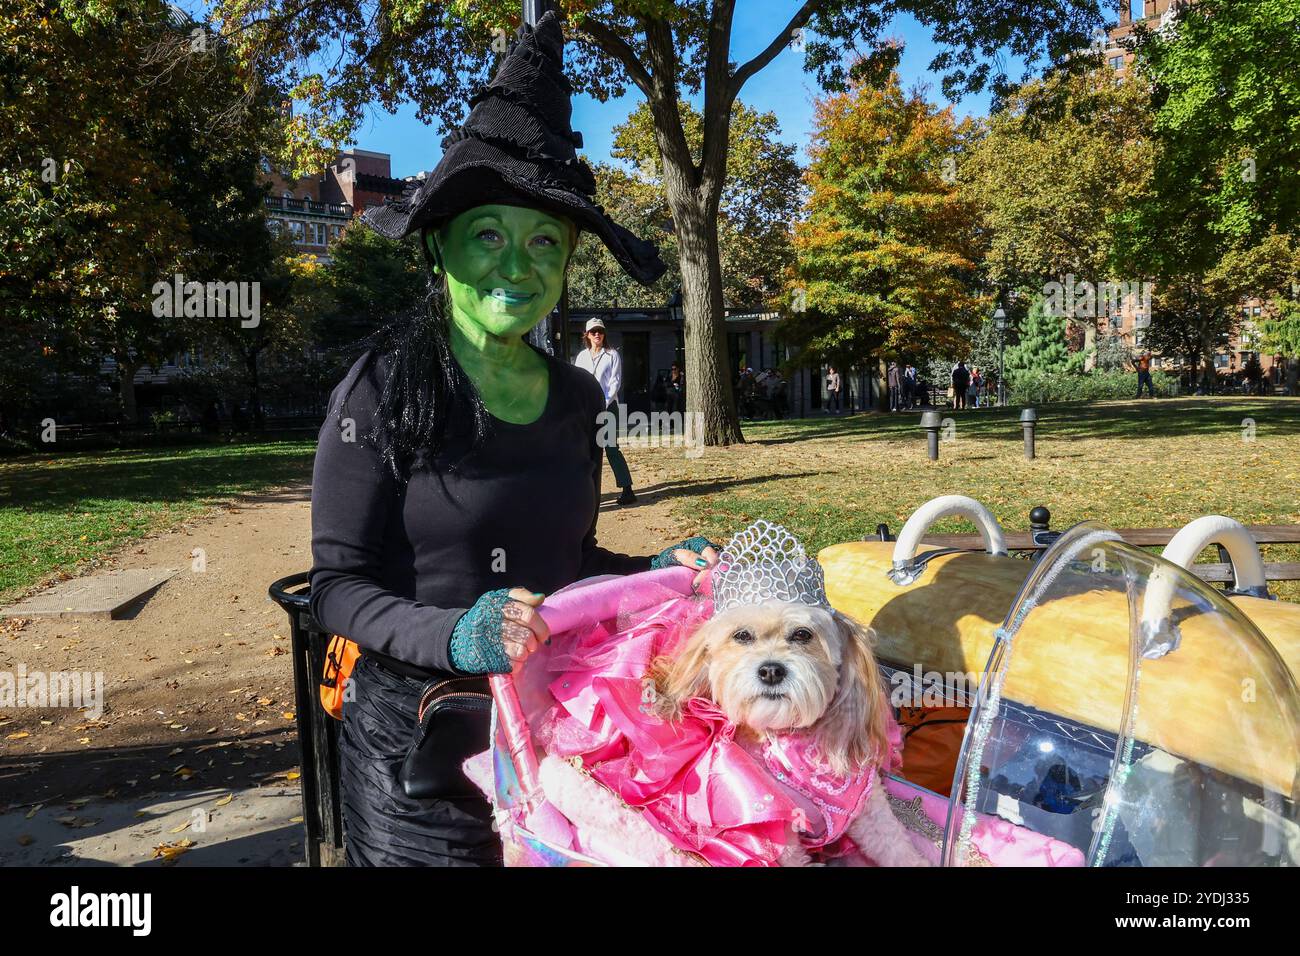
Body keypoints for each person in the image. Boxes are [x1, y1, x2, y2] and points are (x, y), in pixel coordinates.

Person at [309, 13, 720, 868]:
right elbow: (336, 590)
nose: (516, 264)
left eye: (545, 244)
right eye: (488, 236)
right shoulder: (383, 390)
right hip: (418, 751)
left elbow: (566, 562)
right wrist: (457, 634)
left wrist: (652, 573)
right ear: (440, 250)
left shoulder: (574, 397)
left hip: (558, 736)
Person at [575, 317, 638, 505]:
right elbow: (578, 383)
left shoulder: (612, 355)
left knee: (611, 448)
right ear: (586, 335)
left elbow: (615, 383)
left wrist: (603, 402)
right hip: (587, 409)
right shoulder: (581, 357)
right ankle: (590, 492)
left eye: (600, 331)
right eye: (593, 331)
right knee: (588, 450)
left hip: (608, 408)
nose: (597, 334)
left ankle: (627, 489)